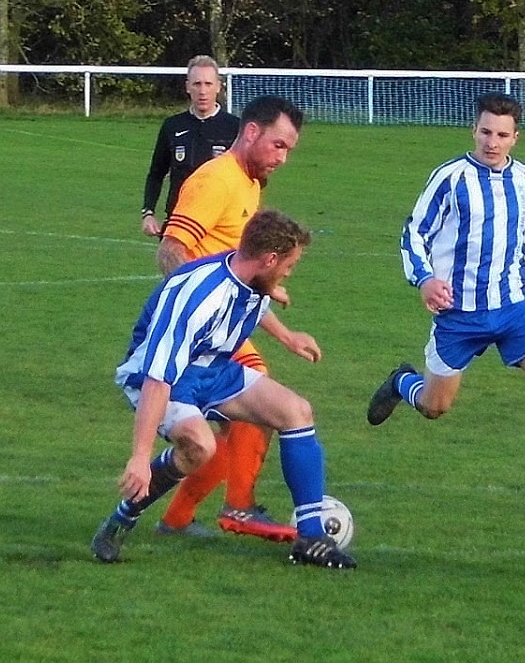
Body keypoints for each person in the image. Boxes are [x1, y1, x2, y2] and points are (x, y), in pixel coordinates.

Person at [366, 92, 525, 514]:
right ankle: (402, 382)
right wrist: (425, 278)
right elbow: (414, 233)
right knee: (435, 408)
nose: (492, 141)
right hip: (459, 314)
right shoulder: (450, 178)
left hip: (516, 307)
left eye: (502, 134)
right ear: (474, 130)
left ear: (515, 138)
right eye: (486, 132)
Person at [90, 208, 355, 569]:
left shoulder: (250, 275)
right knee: (200, 446)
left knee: (296, 410)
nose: (288, 274)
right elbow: (158, 378)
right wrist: (140, 457)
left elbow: (253, 302)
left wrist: (288, 337)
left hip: (213, 370)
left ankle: (310, 537)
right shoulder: (197, 297)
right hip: (161, 378)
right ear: (269, 259)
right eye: (288, 265)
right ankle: (122, 518)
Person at [148, 94, 305, 543]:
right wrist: (197, 304)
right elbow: (172, 250)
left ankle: (176, 519)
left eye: (289, 150)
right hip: (201, 332)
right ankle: (239, 507)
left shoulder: (250, 182)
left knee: (228, 432)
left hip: (225, 326)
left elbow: (240, 277)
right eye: (278, 145)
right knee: (256, 408)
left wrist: (285, 333)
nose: (283, 157)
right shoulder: (216, 181)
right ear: (251, 132)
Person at [141, 55, 240, 237]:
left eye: (208, 84)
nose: (202, 91)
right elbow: (156, 173)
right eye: (197, 84)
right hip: (178, 222)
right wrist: (148, 212)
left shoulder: (235, 127)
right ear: (188, 87)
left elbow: (249, 179)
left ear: (218, 86)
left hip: (219, 227)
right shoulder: (172, 126)